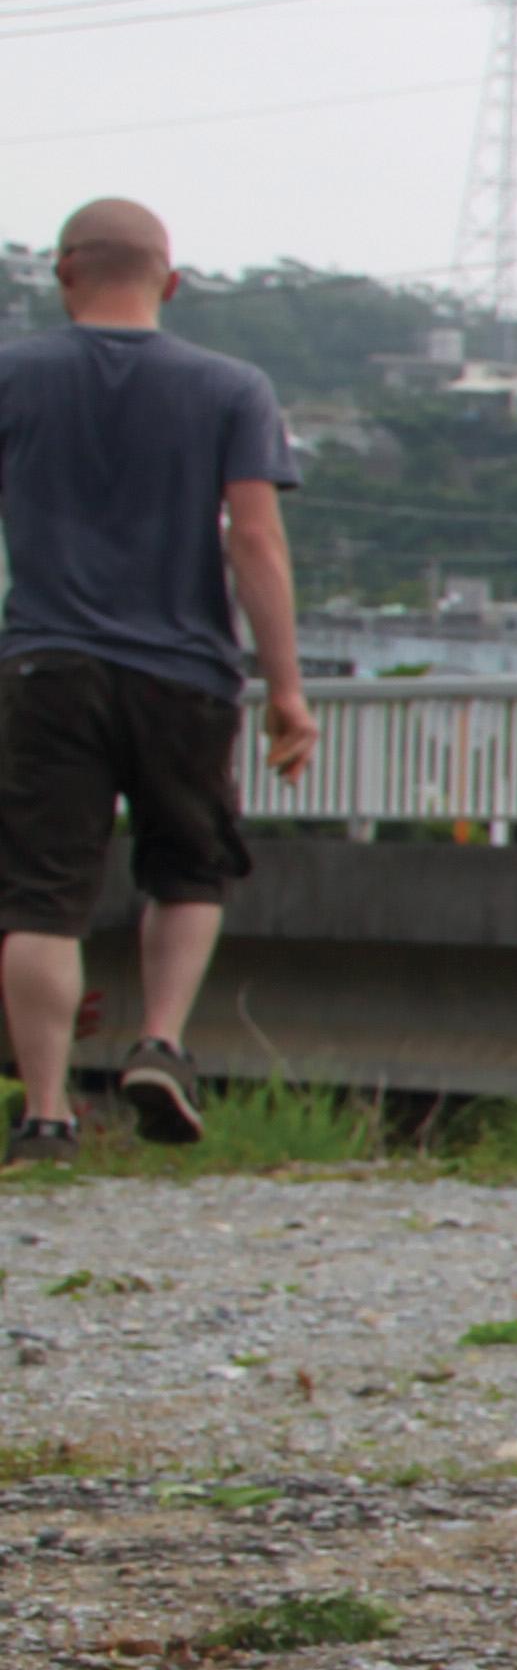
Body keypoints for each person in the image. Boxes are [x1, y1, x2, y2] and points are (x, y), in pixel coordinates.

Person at [0, 199, 314, 1162]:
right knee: (189, 869)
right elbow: (254, 540)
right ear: (169, 281)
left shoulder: (12, 374)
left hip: (45, 663)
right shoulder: (233, 387)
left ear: (62, 273)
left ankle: (47, 1112)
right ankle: (162, 1042)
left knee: (41, 896)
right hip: (184, 674)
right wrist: (287, 689)